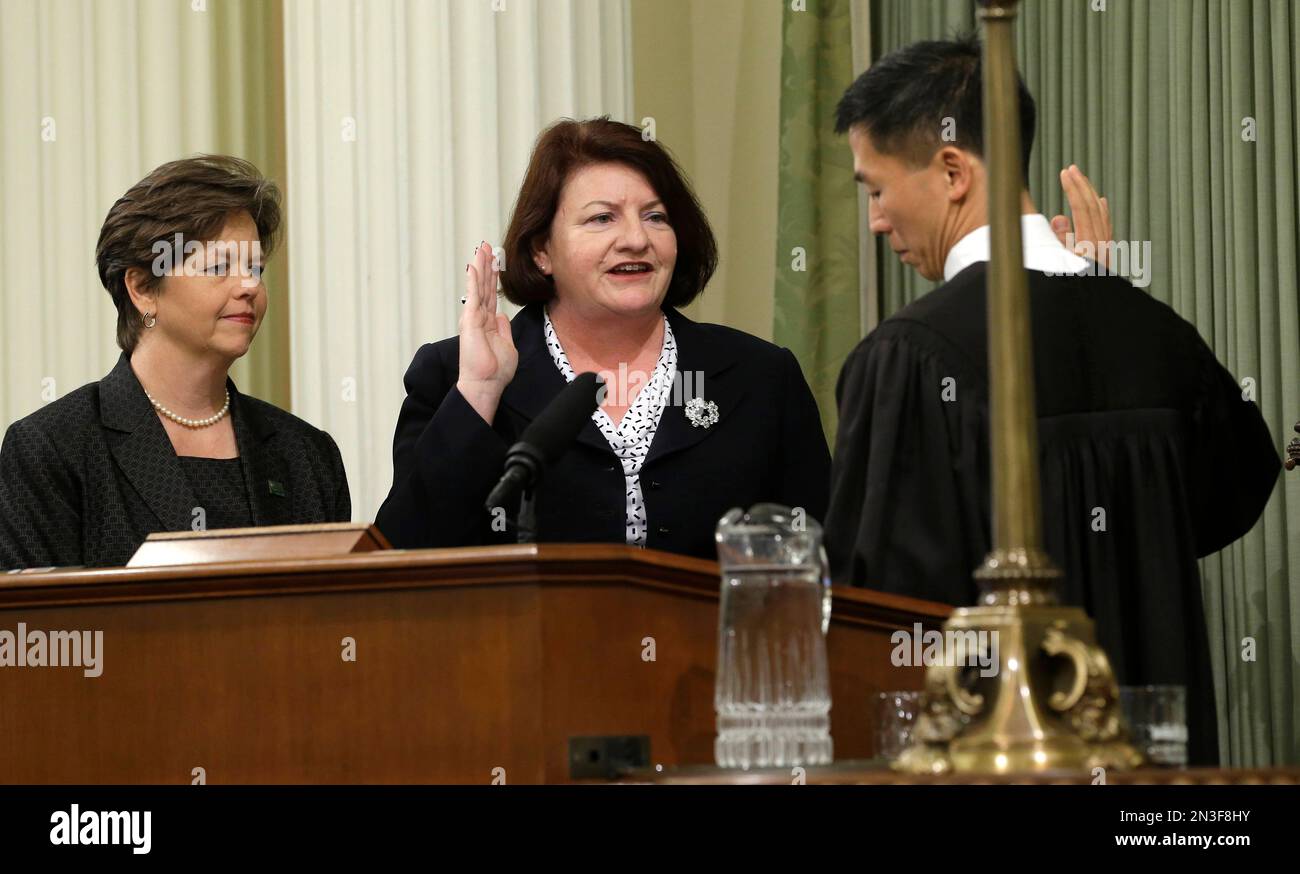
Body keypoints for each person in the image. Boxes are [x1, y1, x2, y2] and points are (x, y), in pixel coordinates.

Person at [825, 36, 1280, 765]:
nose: (876, 221)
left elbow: (876, 609)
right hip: (1159, 783)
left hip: (995, 763)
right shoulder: (1155, 333)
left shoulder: (907, 358)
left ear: (950, 171)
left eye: (875, 189)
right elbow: (1233, 489)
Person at [376, 118, 829, 559]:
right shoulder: (451, 375)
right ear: (541, 251)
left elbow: (818, 553)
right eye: (601, 219)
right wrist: (480, 391)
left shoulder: (761, 376)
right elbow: (404, 556)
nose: (636, 239)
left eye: (655, 216)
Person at [0, 155, 351, 570]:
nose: (250, 286)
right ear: (142, 288)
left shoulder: (307, 454)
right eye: (219, 266)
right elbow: (39, 628)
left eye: (255, 267)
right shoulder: (53, 448)